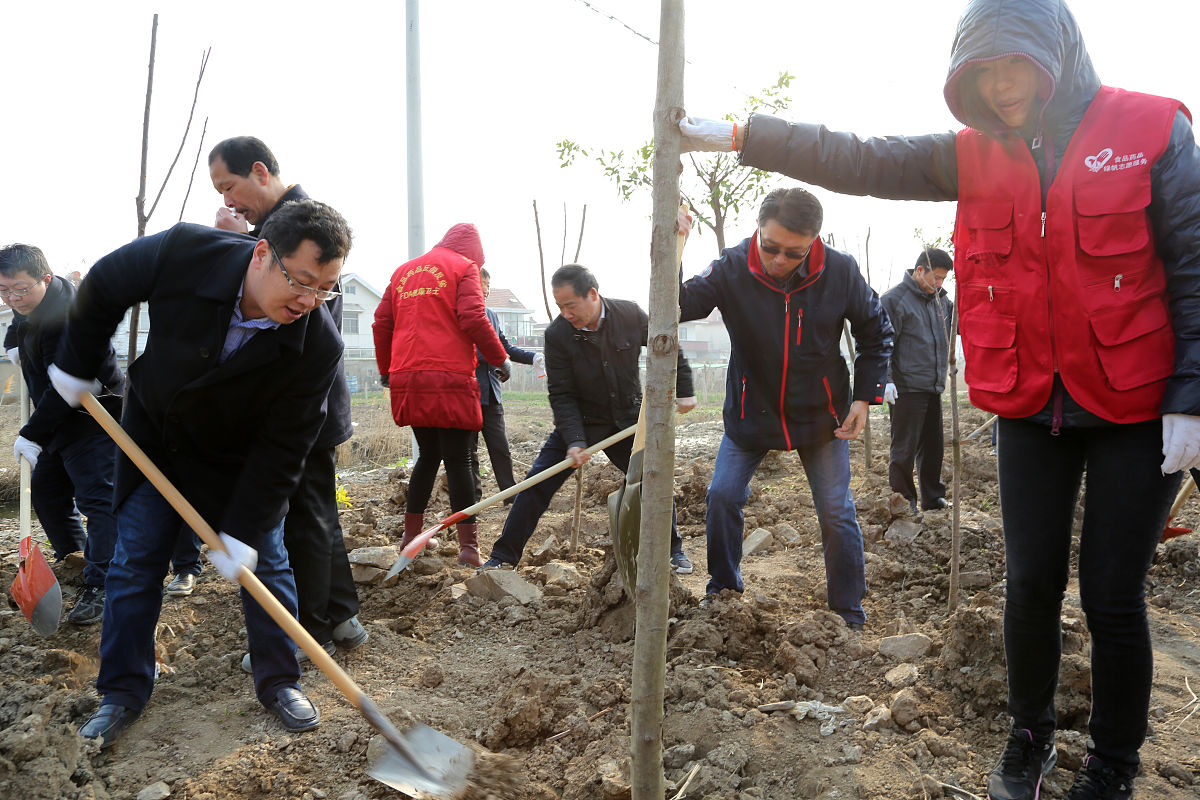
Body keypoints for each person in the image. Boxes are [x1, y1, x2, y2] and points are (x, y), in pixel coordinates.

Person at [677, 1, 1200, 797]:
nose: (1004, 86)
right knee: (1027, 583)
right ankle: (1030, 737)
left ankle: (1114, 765)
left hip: (1136, 404)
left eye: (1016, 65)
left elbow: (1195, 263)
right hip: (1031, 406)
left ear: (1056, 53)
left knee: (1111, 594)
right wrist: (748, 135)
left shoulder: (1153, 130)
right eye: (984, 72)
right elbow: (859, 158)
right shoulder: (970, 154)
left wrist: (1192, 396)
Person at [51, 199, 354, 747]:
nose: (311, 301)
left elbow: (286, 447)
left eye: (326, 289)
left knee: (267, 567)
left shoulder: (317, 344)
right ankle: (121, 691)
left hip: (238, 463)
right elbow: (106, 283)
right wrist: (79, 361)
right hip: (157, 443)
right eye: (302, 282)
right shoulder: (187, 252)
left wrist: (243, 527)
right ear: (262, 253)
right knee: (135, 562)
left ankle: (280, 681)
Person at [676, 189, 892, 629]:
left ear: (814, 240)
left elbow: (876, 329)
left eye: (794, 253)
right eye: (770, 247)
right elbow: (678, 305)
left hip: (821, 412)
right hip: (750, 407)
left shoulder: (840, 270)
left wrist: (863, 397)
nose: (778, 260)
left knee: (836, 510)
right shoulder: (733, 265)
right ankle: (723, 592)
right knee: (722, 496)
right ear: (758, 230)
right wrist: (669, 247)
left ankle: (848, 610)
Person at [208, 136, 367, 665]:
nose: (230, 202)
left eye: (230, 187)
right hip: (306, 400)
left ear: (259, 172)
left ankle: (308, 632)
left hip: (304, 400)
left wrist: (230, 247)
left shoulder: (303, 229)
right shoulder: (272, 230)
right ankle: (340, 612)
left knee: (304, 516)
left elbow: (311, 322)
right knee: (317, 509)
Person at [480, 264, 697, 573]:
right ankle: (503, 557)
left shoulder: (628, 315)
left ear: (592, 294)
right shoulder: (557, 334)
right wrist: (575, 440)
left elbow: (667, 345)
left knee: (652, 479)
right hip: (580, 422)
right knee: (535, 486)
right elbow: (561, 393)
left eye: (570, 305)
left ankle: (672, 551)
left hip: (626, 422)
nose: (565, 313)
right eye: (559, 306)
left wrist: (685, 389)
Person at [0, 244, 124, 626]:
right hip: (58, 422)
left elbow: (69, 390)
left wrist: (32, 433)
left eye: (20, 289)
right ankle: (74, 557)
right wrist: (13, 345)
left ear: (46, 279)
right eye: (4, 290)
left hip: (94, 419)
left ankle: (104, 584)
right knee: (48, 492)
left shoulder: (70, 317)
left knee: (98, 501)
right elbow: (17, 325)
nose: (12, 298)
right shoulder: (29, 307)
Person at [373, 223, 508, 567]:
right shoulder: (464, 269)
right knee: (460, 459)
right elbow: (474, 317)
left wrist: (387, 370)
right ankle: (469, 549)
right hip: (448, 378)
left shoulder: (403, 272)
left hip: (409, 379)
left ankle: (410, 537)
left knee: (428, 456)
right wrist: (499, 358)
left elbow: (381, 323)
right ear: (475, 256)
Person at [880, 248, 954, 515]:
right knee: (904, 449)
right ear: (919, 270)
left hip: (933, 385)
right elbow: (882, 344)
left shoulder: (942, 303)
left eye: (943, 279)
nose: (938, 284)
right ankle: (904, 502)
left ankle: (933, 498)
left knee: (933, 448)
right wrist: (885, 380)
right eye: (935, 277)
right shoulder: (894, 300)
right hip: (906, 388)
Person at [471, 267, 544, 504]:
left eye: (488, 287)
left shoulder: (491, 315)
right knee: (468, 453)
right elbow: (477, 352)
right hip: (467, 394)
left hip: (492, 393)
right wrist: (499, 359)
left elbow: (504, 347)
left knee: (500, 448)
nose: (485, 291)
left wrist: (533, 358)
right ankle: (472, 502)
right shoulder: (459, 314)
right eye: (481, 285)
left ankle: (509, 495)